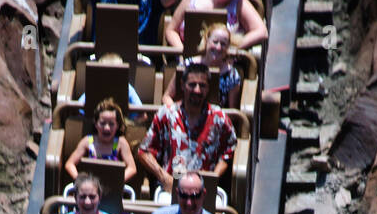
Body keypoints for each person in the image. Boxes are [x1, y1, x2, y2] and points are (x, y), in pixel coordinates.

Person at [137, 62, 237, 200]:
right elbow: (144, 152)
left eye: (202, 86)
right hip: (172, 187)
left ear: (208, 88)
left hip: (204, 190)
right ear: (183, 86)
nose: (197, 90)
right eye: (192, 85)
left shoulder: (219, 117)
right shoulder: (167, 114)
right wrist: (163, 176)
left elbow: (229, 151)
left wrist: (213, 178)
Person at [162, 24, 243, 113]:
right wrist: (177, 115)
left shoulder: (232, 74)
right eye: (215, 42)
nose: (218, 47)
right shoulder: (186, 65)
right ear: (207, 40)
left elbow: (232, 111)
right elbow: (167, 97)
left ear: (228, 47)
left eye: (223, 44)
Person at [64, 98, 138, 185]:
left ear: (117, 125)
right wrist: (81, 181)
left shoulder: (120, 143)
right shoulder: (88, 141)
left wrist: (116, 182)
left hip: (112, 189)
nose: (107, 128)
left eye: (111, 124)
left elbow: (132, 168)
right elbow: (70, 164)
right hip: (91, 189)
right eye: (102, 123)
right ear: (96, 124)